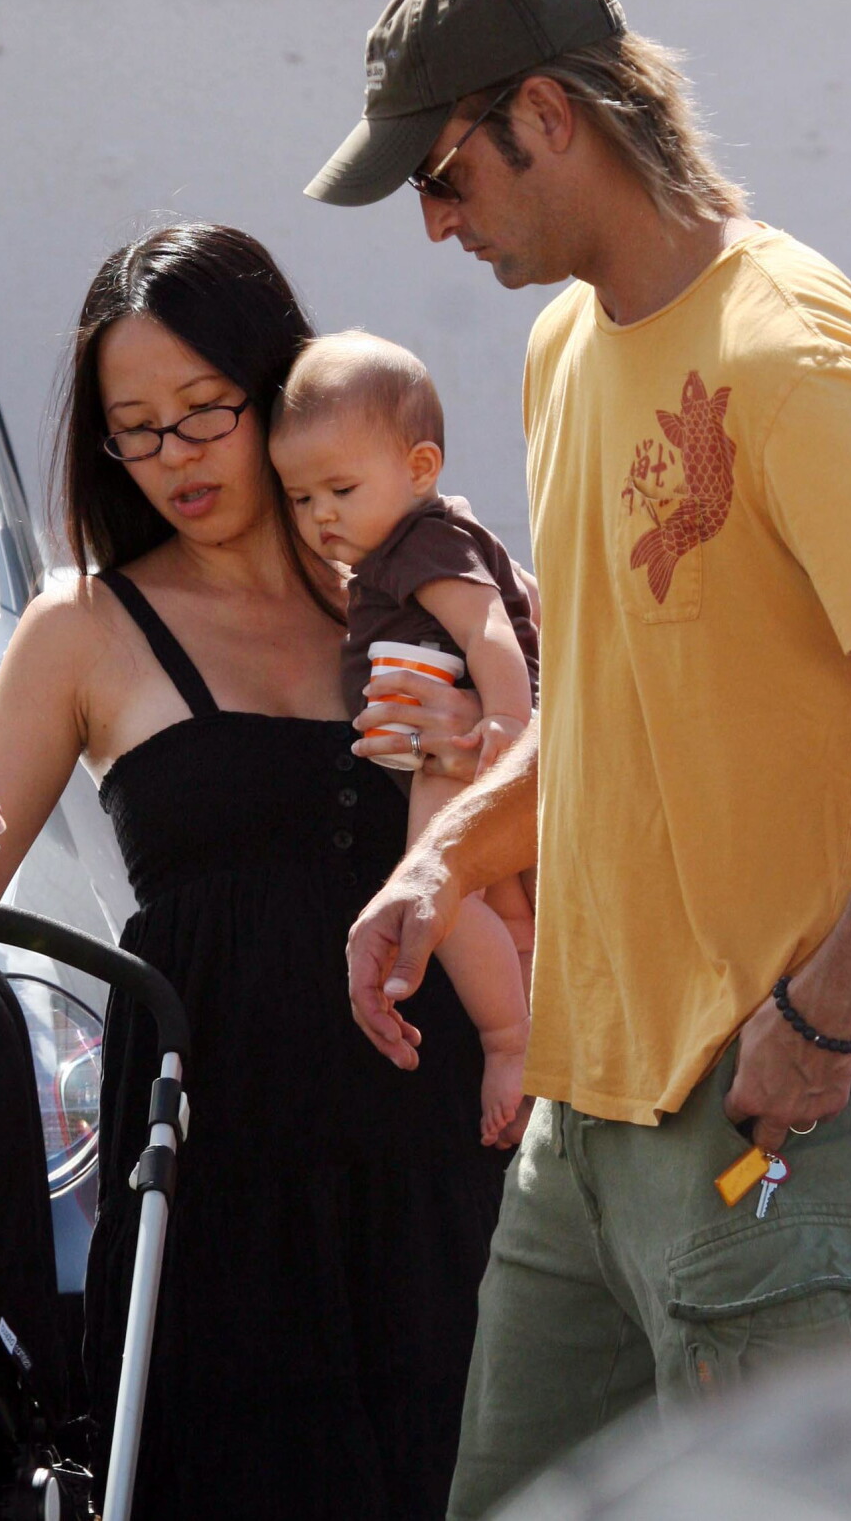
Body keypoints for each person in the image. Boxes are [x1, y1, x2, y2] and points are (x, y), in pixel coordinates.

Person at [304, 0, 851, 1516]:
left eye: (442, 175)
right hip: (583, 1129)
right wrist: (446, 859)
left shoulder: (790, 348)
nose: (436, 224)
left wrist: (824, 1019)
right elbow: (611, 708)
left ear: (545, 115)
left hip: (774, 1130)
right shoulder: (566, 348)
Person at [0, 223, 510, 1521]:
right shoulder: (83, 626)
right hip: (219, 1150)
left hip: (434, 1125)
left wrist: (480, 747)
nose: (174, 454)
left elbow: (543, 822)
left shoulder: (413, 590)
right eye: (137, 430)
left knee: (472, 1462)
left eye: (203, 413)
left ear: (277, 388)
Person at [270, 330, 537, 1147]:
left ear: (420, 468)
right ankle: (532, 1022)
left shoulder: (424, 542)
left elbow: (489, 629)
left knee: (438, 896)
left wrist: (506, 727)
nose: (321, 515)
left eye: (341, 488)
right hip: (451, 748)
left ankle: (509, 1042)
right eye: (300, 497)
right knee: (499, 904)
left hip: (456, 753)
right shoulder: (400, 548)